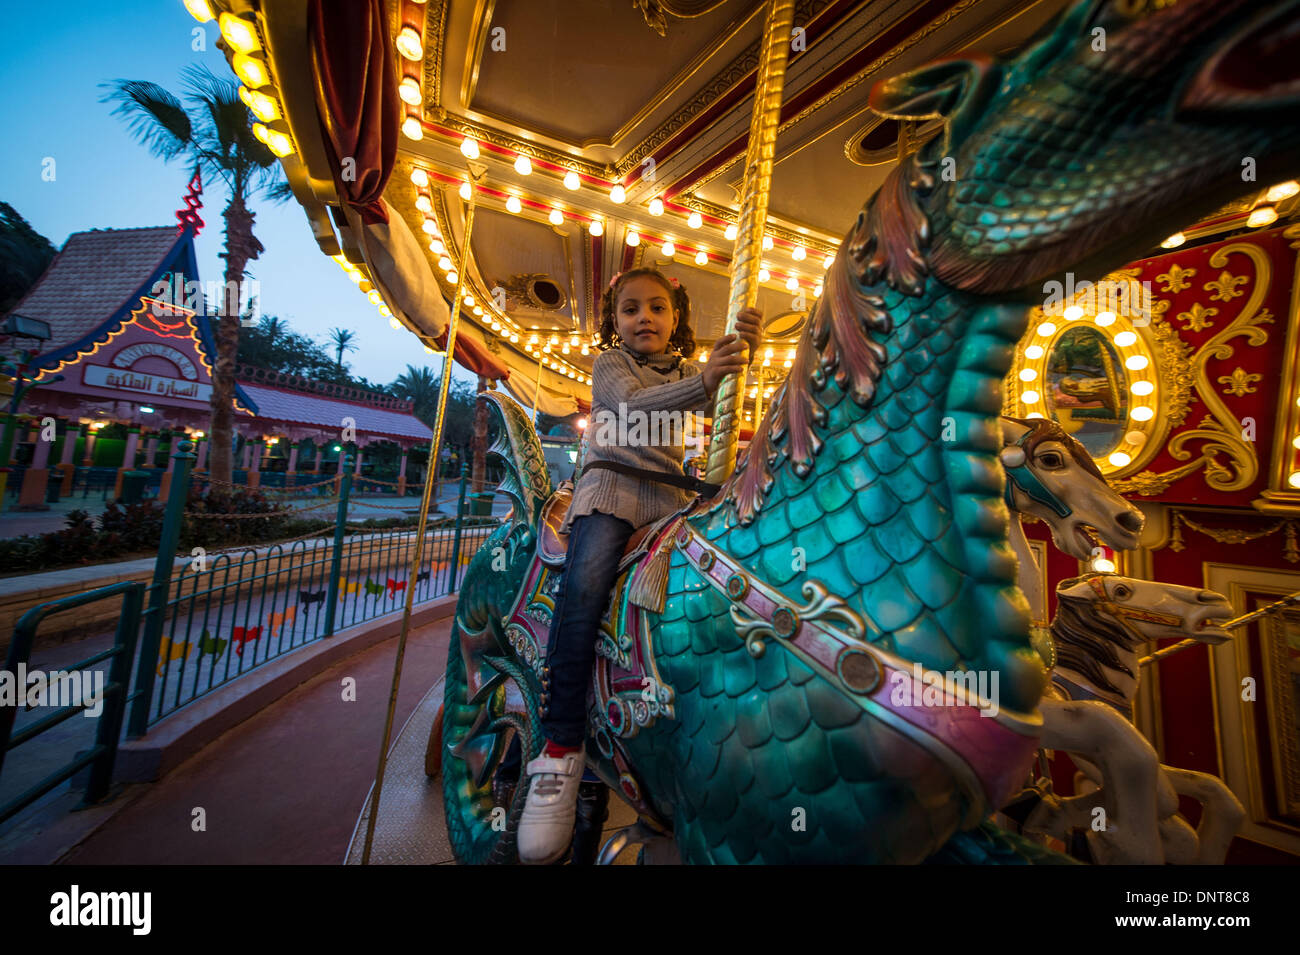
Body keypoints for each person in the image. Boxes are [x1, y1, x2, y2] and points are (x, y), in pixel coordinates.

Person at [517, 267, 760, 864]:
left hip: (672, 500)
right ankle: (559, 748)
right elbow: (631, 407)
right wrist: (708, 379)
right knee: (584, 600)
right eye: (630, 309)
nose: (643, 317)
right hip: (609, 494)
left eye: (656, 307)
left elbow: (707, 394)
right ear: (615, 322)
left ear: (677, 319)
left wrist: (739, 352)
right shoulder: (611, 368)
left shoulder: (686, 373)